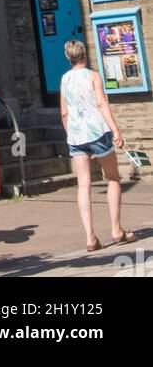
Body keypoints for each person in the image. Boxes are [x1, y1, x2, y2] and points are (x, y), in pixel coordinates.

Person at [60, 39, 135, 252]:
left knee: (84, 185)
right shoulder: (93, 76)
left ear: (69, 58)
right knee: (112, 178)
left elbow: (64, 113)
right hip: (97, 132)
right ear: (84, 55)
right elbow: (101, 103)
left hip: (76, 136)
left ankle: (90, 238)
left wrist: (72, 135)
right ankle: (116, 230)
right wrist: (116, 130)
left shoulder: (64, 80)